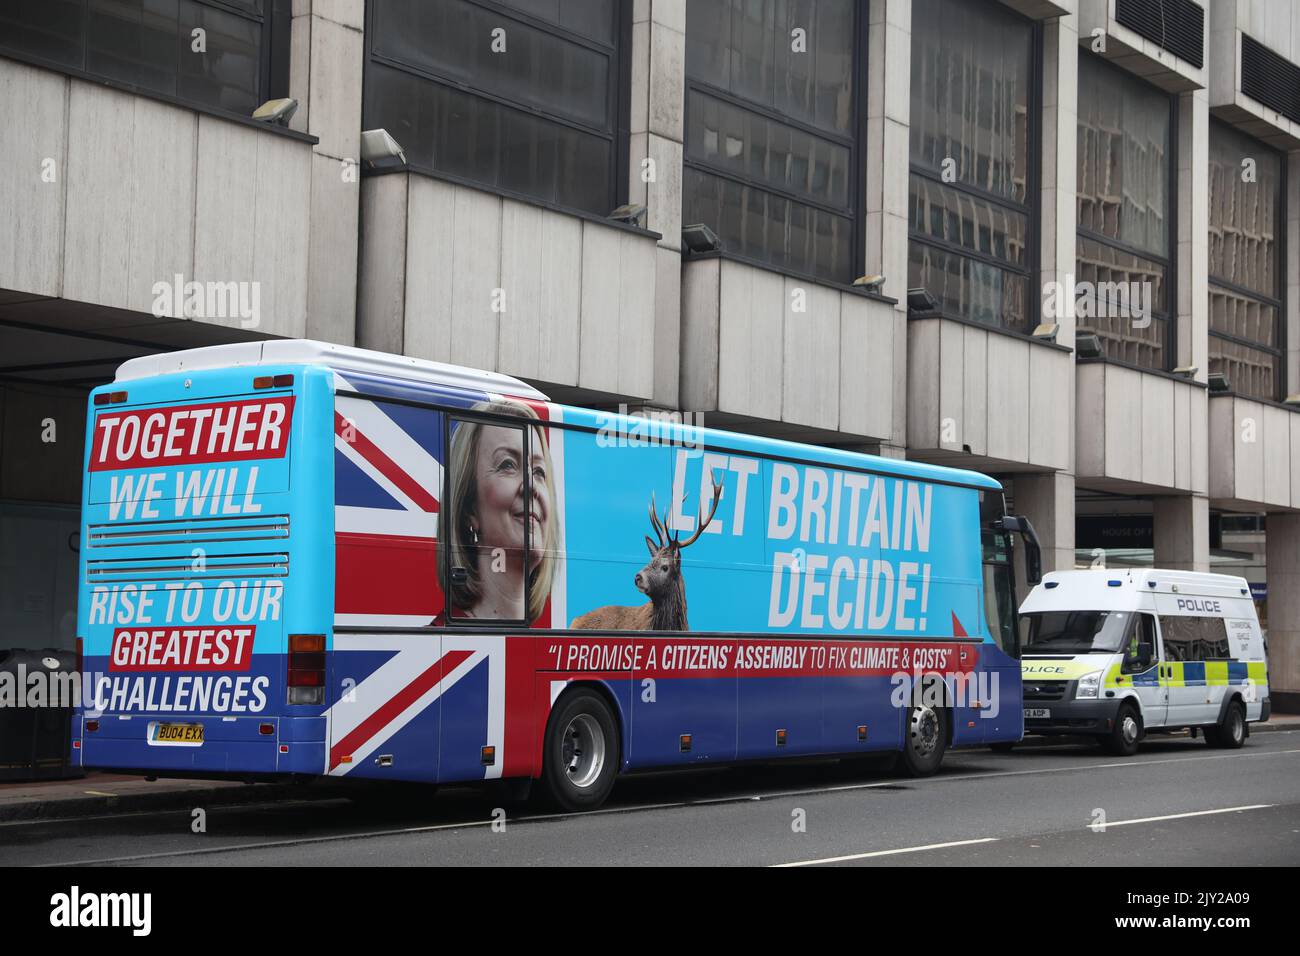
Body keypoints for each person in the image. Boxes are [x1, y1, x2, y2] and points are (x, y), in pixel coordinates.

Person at [446, 400, 558, 623]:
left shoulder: (546, 645)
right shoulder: (438, 645)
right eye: (507, 465)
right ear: (469, 509)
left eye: (538, 471)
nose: (532, 487)